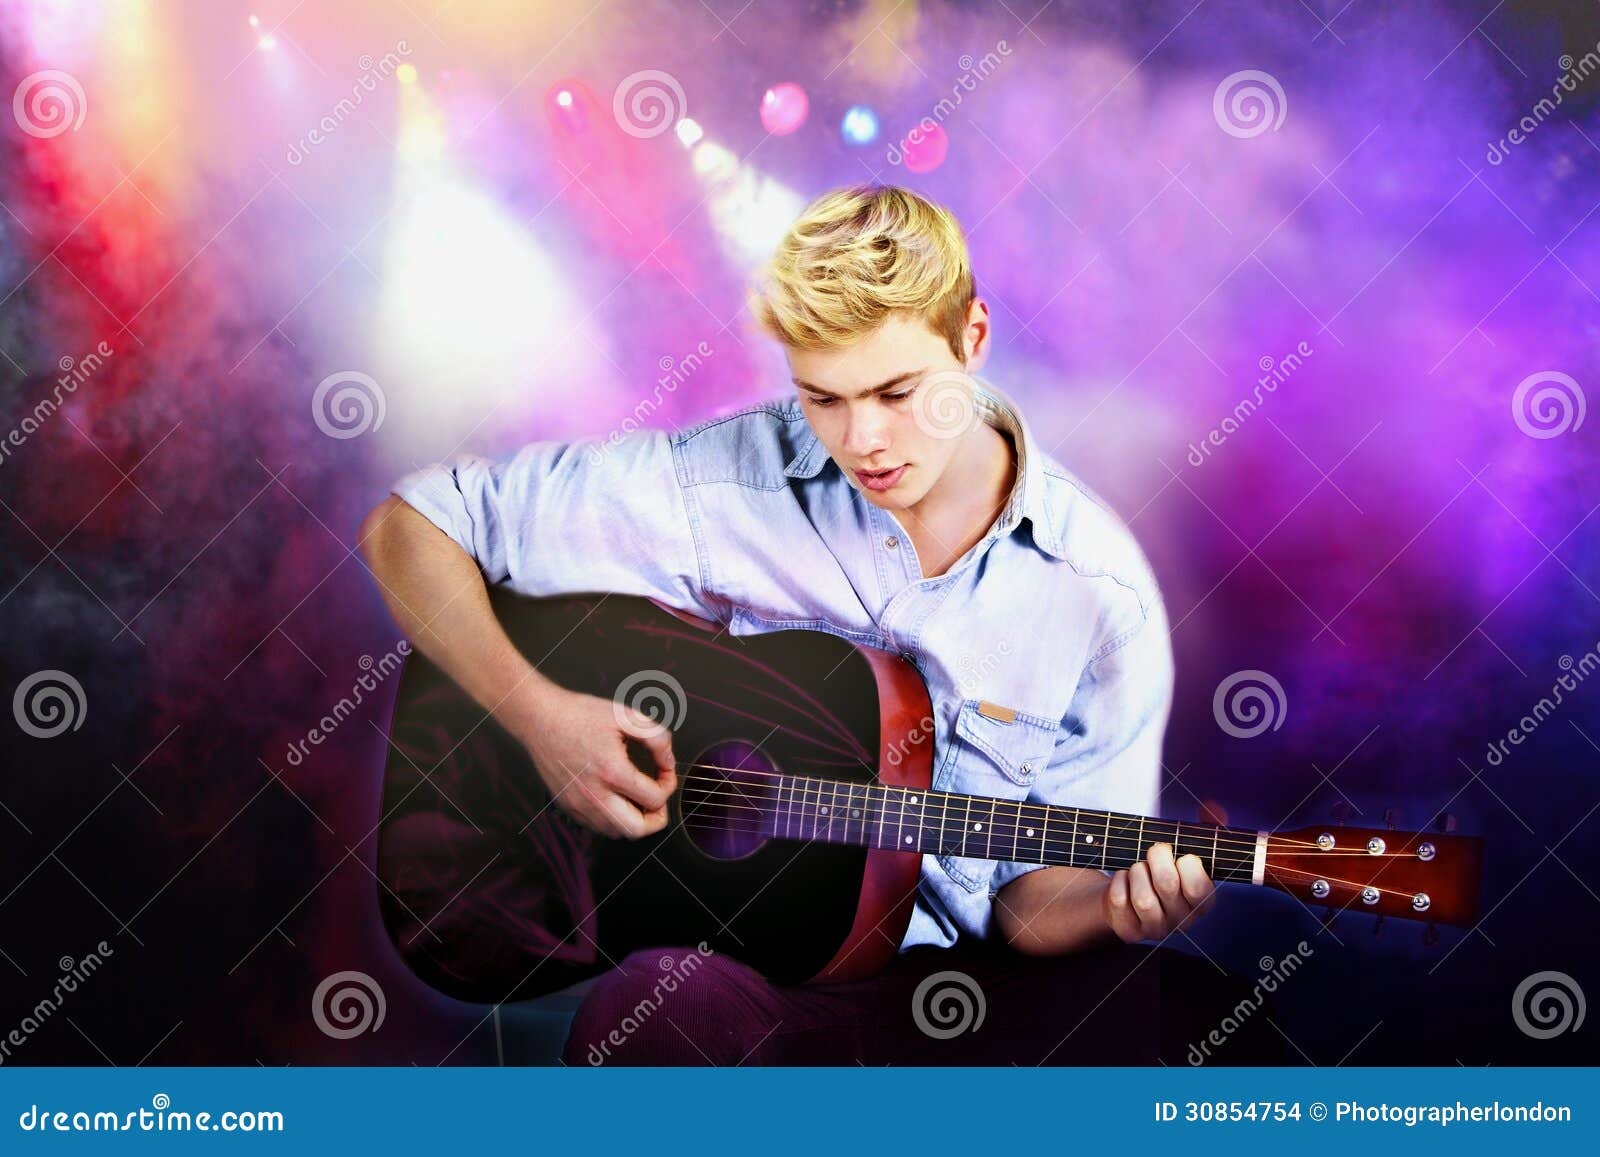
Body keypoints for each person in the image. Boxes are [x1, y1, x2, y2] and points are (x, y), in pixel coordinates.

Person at [360, 184, 1282, 1065]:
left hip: (959, 996)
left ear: (974, 337)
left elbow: (1026, 909)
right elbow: (410, 527)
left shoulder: (1096, 591)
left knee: (1213, 1034)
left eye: (896, 391)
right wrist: (538, 715)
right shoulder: (719, 484)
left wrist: (1119, 909)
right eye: (823, 398)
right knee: (648, 1019)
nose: (864, 441)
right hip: (765, 984)